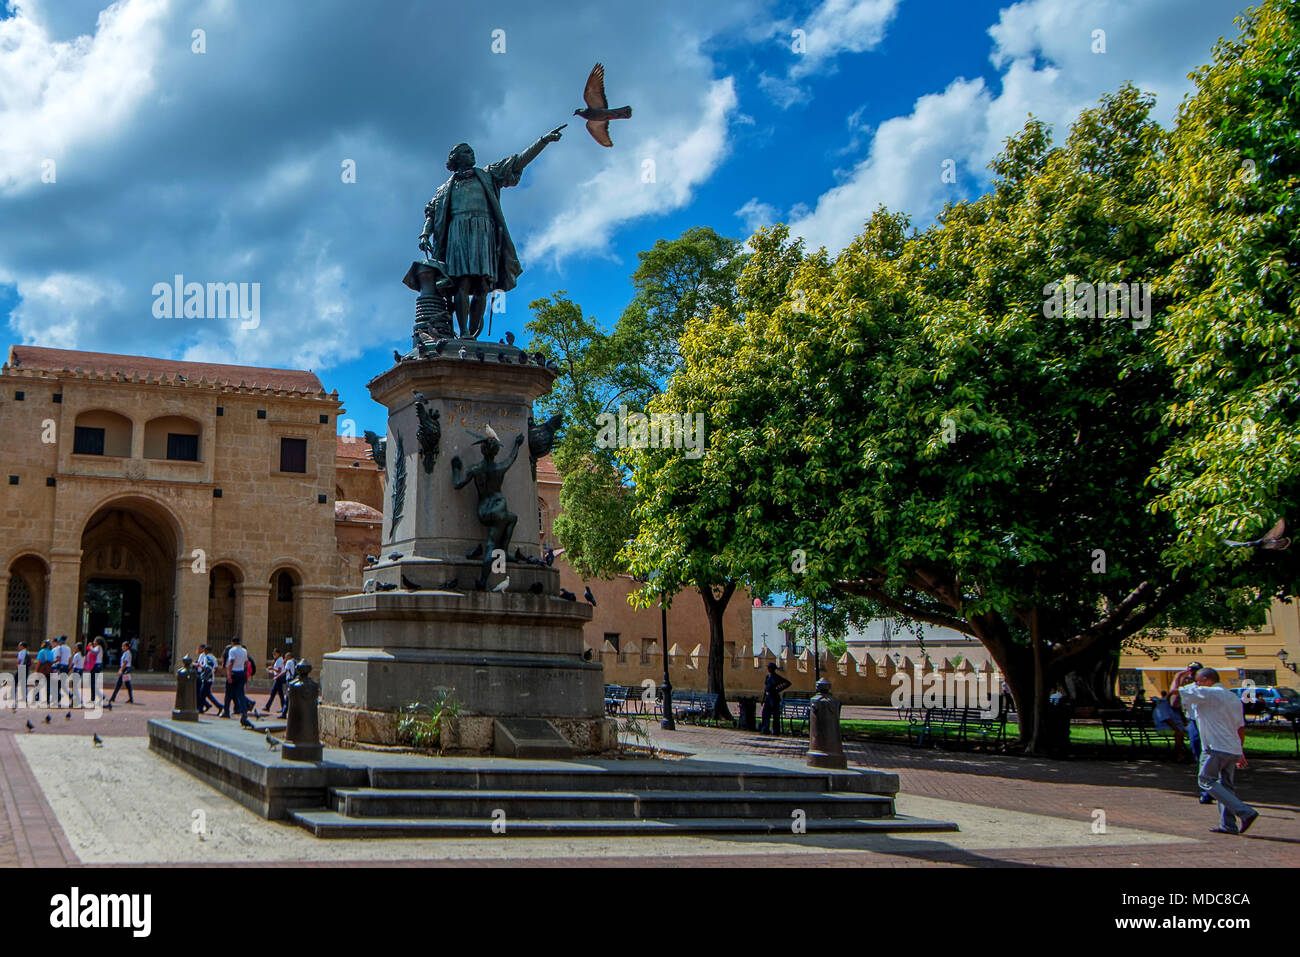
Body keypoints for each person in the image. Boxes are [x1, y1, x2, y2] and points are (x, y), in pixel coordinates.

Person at [1176, 667, 1259, 835]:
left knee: (1205, 780)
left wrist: (1180, 676)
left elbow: (1178, 692)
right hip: (1232, 747)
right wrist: (1240, 750)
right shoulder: (1232, 697)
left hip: (1215, 747)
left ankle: (1244, 811)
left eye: (1198, 681)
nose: (1197, 685)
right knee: (1226, 786)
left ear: (1206, 681)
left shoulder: (1208, 693)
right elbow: (1240, 726)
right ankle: (1228, 825)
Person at [1151, 690, 1187, 760]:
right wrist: (1177, 730)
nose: (1178, 702)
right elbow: (1167, 720)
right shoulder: (1162, 706)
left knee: (1194, 733)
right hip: (1165, 727)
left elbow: (1183, 719)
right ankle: (1179, 755)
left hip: (1179, 727)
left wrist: (1180, 710)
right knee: (1178, 734)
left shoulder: (1176, 707)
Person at [758, 662, 792, 735]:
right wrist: (763, 698)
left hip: (774, 697)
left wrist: (778, 689)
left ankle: (775, 730)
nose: (768, 669)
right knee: (765, 713)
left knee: (775, 714)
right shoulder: (768, 677)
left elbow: (787, 683)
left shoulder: (776, 677)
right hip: (768, 697)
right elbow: (766, 688)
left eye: (769, 668)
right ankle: (765, 729)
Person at [221, 636, 250, 719]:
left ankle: (226, 711)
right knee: (241, 693)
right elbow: (246, 661)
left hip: (234, 672)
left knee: (228, 694)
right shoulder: (244, 651)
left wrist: (229, 675)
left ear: (232, 643)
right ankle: (244, 712)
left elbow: (231, 663)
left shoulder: (232, 650)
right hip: (241, 672)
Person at [196, 644, 222, 714]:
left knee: (202, 694)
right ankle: (216, 706)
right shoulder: (214, 658)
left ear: (207, 651)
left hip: (205, 678)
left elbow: (204, 667)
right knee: (206, 694)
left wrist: (199, 665)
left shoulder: (206, 657)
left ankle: (218, 706)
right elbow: (216, 668)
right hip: (211, 678)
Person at [264, 649, 287, 713]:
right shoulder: (278, 660)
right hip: (278, 677)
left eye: (275, 654)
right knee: (279, 694)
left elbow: (279, 671)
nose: (274, 655)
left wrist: (272, 668)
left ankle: (268, 706)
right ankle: (283, 707)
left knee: (275, 693)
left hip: (279, 678)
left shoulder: (280, 660)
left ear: (278, 654)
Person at [35, 638, 55, 705]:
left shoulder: (41, 651)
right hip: (49, 670)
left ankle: (37, 696)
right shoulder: (51, 652)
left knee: (39, 683)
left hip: (42, 670)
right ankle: (48, 699)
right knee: (48, 685)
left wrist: (36, 671)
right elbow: (52, 661)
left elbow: (39, 662)